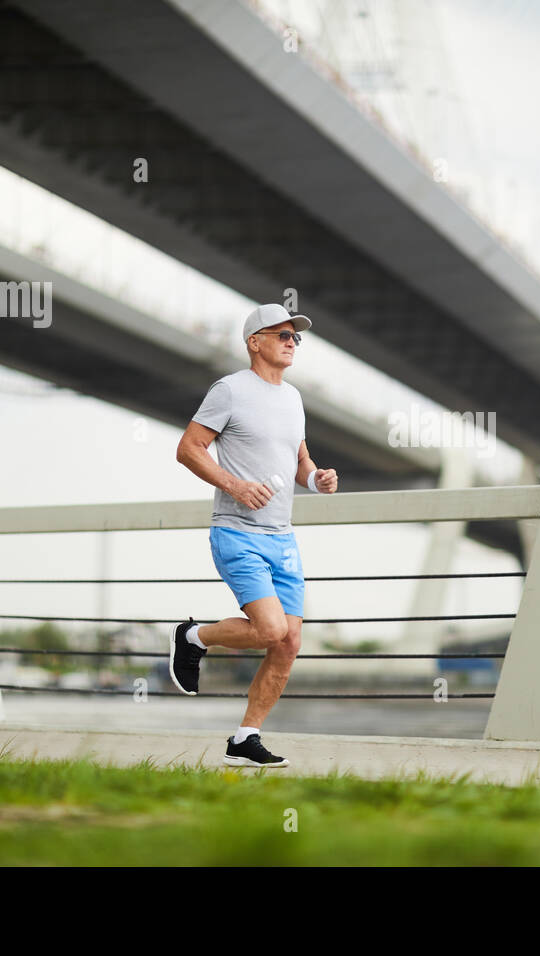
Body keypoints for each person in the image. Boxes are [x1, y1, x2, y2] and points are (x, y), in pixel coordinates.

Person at [172, 303, 338, 768]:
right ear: (254, 342)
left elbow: (300, 460)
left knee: (288, 643)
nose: (291, 341)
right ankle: (193, 637)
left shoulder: (294, 398)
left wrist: (316, 478)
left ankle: (245, 738)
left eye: (295, 337)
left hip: (282, 538)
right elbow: (189, 448)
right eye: (281, 334)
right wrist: (236, 485)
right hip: (237, 533)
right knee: (270, 630)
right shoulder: (229, 391)